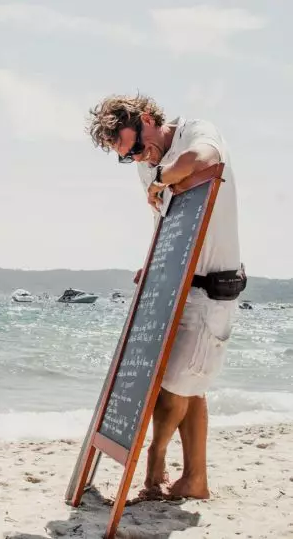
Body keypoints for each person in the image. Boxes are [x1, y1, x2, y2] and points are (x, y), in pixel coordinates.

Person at [87, 94, 243, 500]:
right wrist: (152, 263)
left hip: (213, 289)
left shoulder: (196, 131)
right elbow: (169, 225)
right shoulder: (148, 167)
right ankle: (195, 480)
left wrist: (160, 178)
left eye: (136, 148)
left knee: (178, 384)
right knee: (190, 382)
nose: (138, 160)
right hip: (175, 288)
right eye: (127, 157)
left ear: (147, 119)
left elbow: (202, 158)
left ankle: (155, 457)